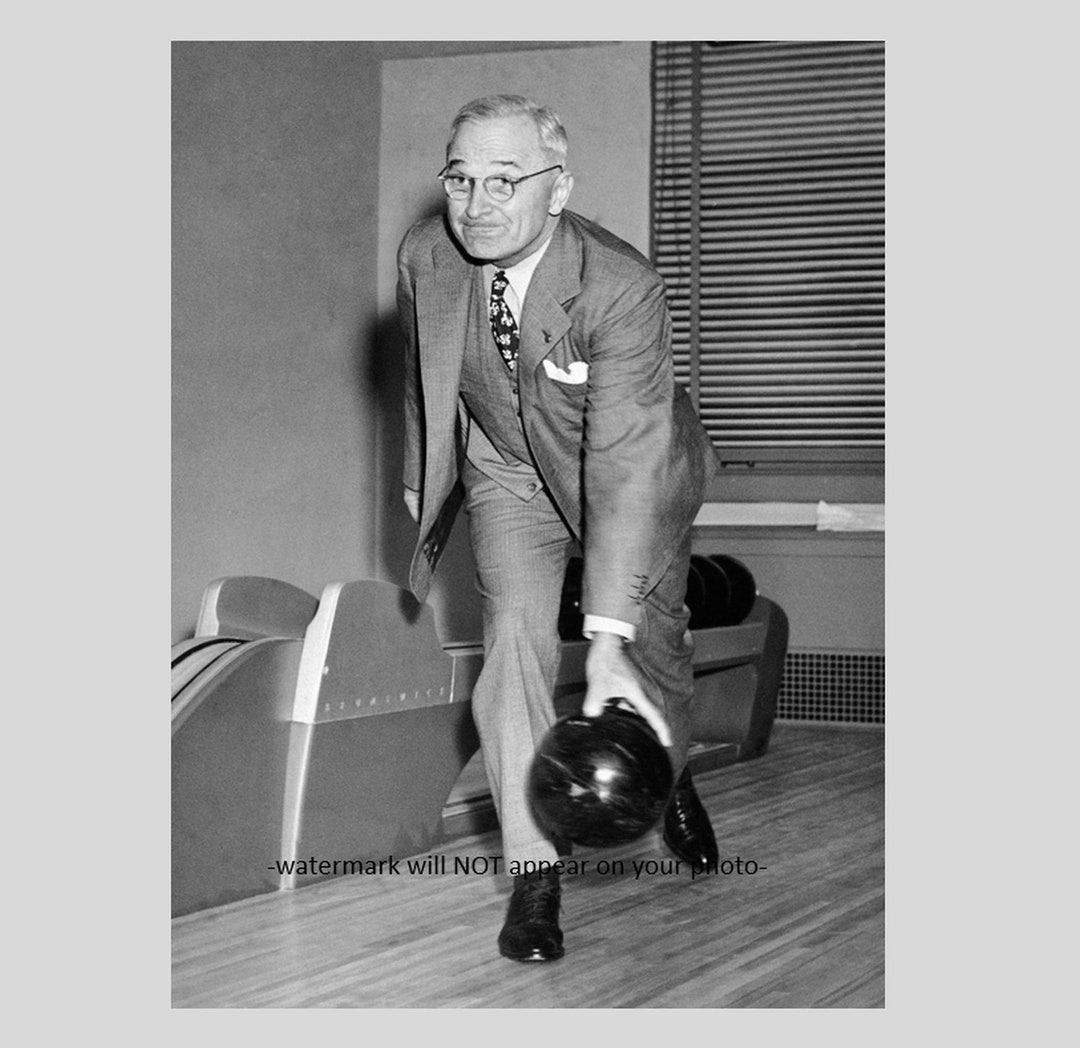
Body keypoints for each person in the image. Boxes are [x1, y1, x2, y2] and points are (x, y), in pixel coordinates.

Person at [397, 94, 719, 962]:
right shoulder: (427, 254)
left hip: (626, 470)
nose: (478, 203)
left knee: (649, 647)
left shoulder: (621, 286)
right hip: (505, 465)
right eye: (461, 179)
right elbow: (431, 381)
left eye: (506, 180)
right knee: (512, 644)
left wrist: (605, 634)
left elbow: (622, 459)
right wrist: (423, 483)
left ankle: (670, 767)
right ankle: (535, 875)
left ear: (559, 187)